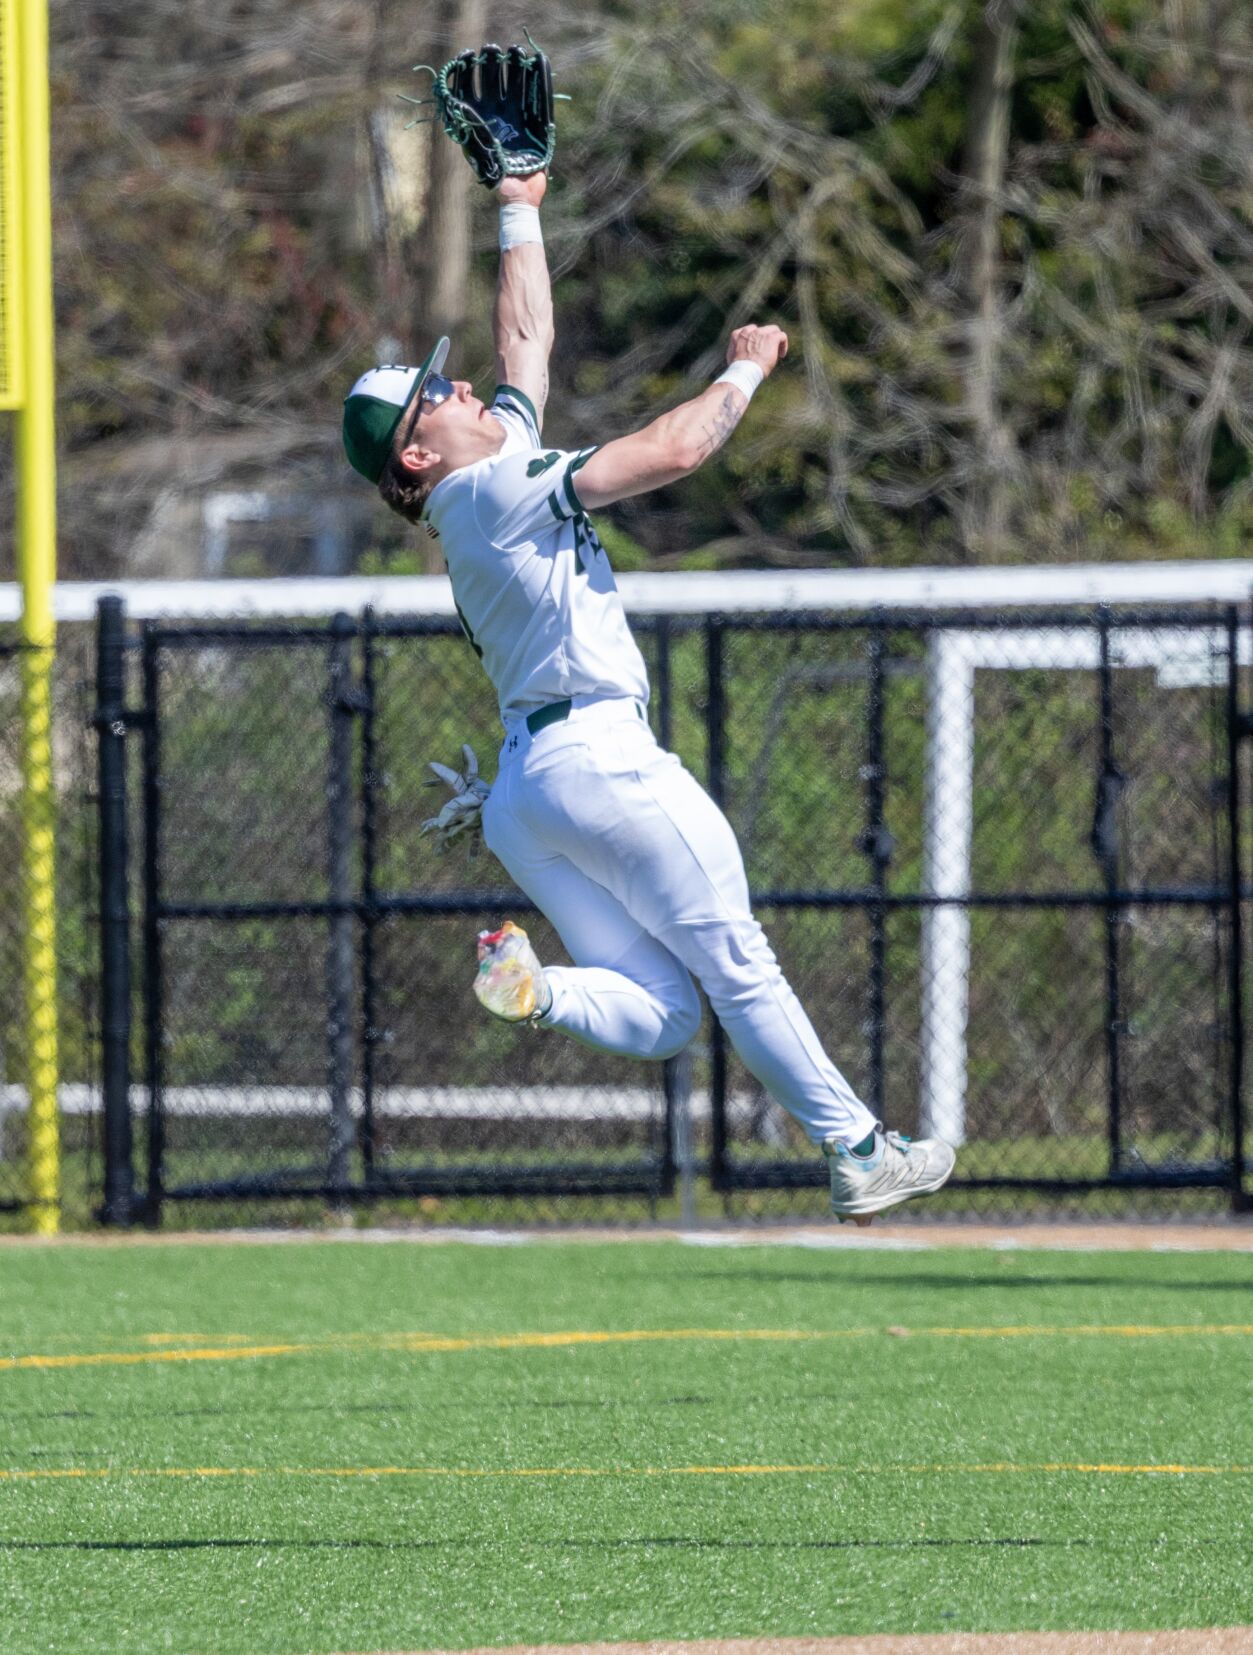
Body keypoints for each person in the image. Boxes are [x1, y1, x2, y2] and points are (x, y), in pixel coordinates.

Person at [341, 167, 955, 1223]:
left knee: (667, 1013)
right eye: (433, 397)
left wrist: (518, 204)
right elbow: (674, 449)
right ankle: (857, 1146)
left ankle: (537, 987)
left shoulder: (480, 490)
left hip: (528, 795)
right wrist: (745, 373)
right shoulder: (490, 488)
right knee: (735, 957)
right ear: (415, 450)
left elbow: (524, 342)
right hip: (597, 758)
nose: (458, 388)